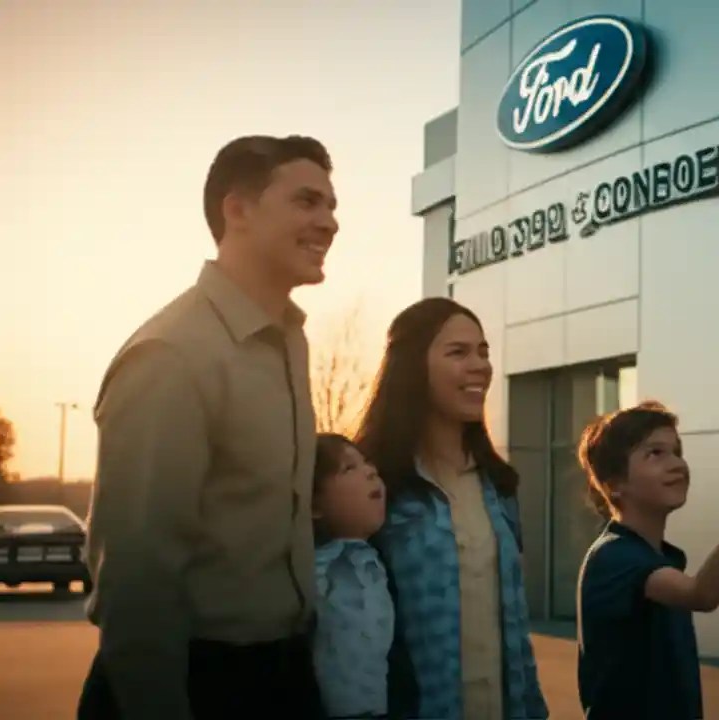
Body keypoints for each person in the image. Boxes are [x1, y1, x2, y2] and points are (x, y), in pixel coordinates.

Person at [77, 135, 338, 720]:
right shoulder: (171, 355)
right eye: (306, 201)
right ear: (237, 210)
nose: (329, 222)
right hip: (198, 681)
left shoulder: (288, 342)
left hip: (283, 677)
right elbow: (136, 585)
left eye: (331, 205)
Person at [354, 297, 547, 720]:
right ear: (413, 368)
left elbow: (516, 629)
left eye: (483, 352)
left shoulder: (499, 485)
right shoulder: (375, 482)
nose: (480, 366)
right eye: (458, 352)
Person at [575, 401, 719, 719]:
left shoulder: (656, 556)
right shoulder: (613, 556)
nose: (677, 464)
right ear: (614, 484)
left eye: (677, 451)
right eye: (655, 453)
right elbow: (702, 594)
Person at [310, 433, 394, 720]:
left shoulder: (380, 564)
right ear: (314, 506)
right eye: (349, 468)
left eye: (367, 463)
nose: (371, 472)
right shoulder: (314, 572)